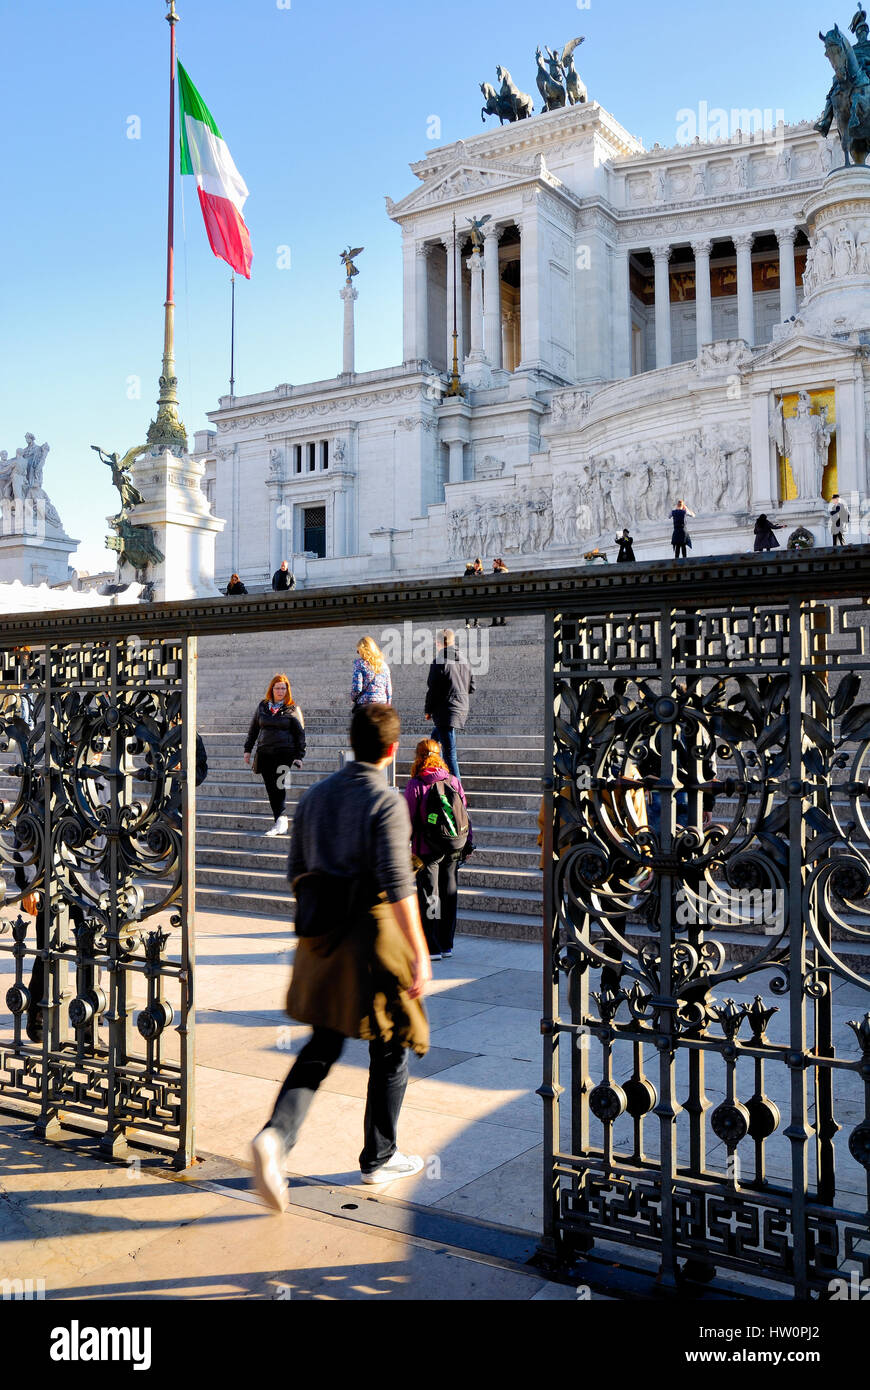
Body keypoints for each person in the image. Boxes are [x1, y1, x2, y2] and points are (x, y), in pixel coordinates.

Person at [250, 704, 431, 1210]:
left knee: (323, 1045)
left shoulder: (314, 796)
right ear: (393, 749)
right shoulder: (386, 800)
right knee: (393, 1040)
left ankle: (275, 1137)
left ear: (352, 741)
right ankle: (380, 1155)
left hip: (320, 938)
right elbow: (399, 884)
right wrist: (419, 951)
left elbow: (295, 872)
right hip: (371, 942)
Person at [403, 738, 473, 960]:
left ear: (418, 756)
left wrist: (406, 845)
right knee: (449, 894)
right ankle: (446, 945)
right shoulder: (453, 780)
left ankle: (431, 946)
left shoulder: (416, 784)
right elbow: (464, 813)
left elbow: (409, 819)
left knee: (430, 896)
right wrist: (468, 842)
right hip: (454, 845)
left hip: (427, 849)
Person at [243, 674, 306, 837]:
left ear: (287, 690)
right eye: (277, 688)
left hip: (285, 752)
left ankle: (281, 819)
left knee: (279, 783)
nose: (280, 691)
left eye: (283, 688)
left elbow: (300, 734)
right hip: (265, 753)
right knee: (271, 788)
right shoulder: (263, 706)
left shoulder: (292, 708)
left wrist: (299, 756)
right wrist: (248, 749)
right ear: (272, 689)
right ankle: (280, 819)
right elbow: (254, 729)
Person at [424, 629, 475, 780]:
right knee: (433, 741)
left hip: (446, 710)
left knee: (450, 754)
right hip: (460, 707)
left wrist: (428, 710)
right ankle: (428, 769)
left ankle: (457, 792)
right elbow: (472, 687)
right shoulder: (464, 660)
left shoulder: (439, 661)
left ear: (438, 643)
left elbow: (432, 689)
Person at [351, 636, 392, 707]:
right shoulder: (384, 665)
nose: (358, 653)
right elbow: (388, 689)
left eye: (358, 651)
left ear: (363, 651)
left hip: (365, 705)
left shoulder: (359, 664)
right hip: (382, 705)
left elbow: (357, 688)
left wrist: (353, 698)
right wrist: (388, 705)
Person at [463, 557, 483, 628]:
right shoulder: (468, 571)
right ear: (474, 564)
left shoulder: (480, 572)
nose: (477, 567)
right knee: (467, 608)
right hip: (468, 591)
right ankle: (467, 623)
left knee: (476, 607)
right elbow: (464, 579)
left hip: (476, 592)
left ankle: (476, 623)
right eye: (476, 565)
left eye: (478, 566)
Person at [490, 558, 508, 626]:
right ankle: (494, 622)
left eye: (494, 563)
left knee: (501, 606)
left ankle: (502, 621)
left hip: (501, 591)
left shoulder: (502, 570)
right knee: (493, 607)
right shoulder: (495, 571)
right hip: (494, 591)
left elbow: (501, 577)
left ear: (498, 564)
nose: (493, 564)